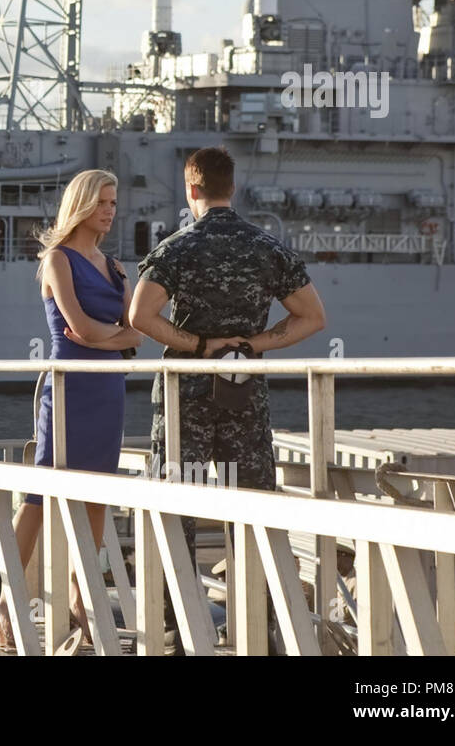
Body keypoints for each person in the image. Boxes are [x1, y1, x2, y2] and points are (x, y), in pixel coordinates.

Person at [129, 146, 326, 651]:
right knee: (253, 505)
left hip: (183, 398)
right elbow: (312, 317)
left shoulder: (175, 249)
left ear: (191, 188)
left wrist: (200, 346)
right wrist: (251, 345)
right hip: (245, 395)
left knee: (176, 505)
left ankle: (177, 631)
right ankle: (256, 628)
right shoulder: (268, 247)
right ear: (232, 188)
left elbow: (140, 317)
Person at [0, 169, 142, 650]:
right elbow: (78, 327)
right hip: (69, 388)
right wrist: (115, 339)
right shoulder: (58, 259)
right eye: (102, 202)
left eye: (114, 203)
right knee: (38, 495)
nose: (110, 210)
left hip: (108, 389)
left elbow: (133, 331)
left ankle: (82, 599)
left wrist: (111, 341)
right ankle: (4, 605)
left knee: (96, 495)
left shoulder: (116, 267)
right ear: (80, 205)